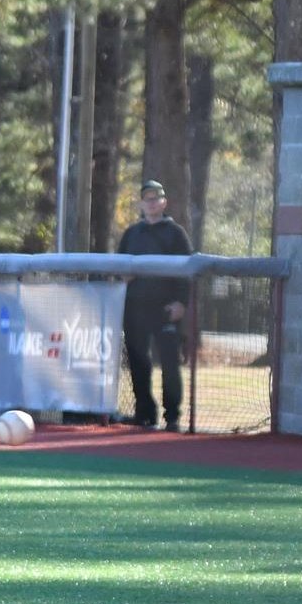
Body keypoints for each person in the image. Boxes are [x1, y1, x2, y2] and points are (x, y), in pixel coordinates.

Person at [116, 179, 193, 432]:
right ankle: (145, 414)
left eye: (156, 198)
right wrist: (122, 276)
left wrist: (181, 303)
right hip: (135, 310)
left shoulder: (176, 234)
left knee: (170, 364)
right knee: (139, 363)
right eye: (147, 199)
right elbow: (117, 267)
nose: (151, 203)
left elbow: (187, 271)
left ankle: (173, 417)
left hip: (166, 311)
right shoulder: (131, 234)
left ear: (164, 203)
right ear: (141, 204)